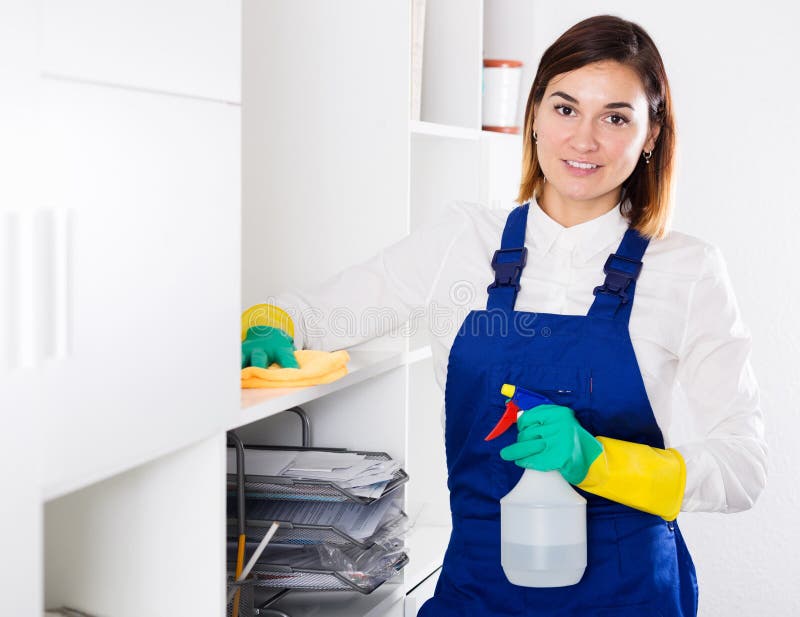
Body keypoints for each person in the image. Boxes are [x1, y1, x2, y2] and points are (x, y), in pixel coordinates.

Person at [242, 14, 767, 616]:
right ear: (535, 117)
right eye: (566, 109)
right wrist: (268, 327)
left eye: (616, 117)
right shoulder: (462, 241)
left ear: (651, 134)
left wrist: (598, 460)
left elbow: (743, 466)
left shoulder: (688, 269)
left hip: (628, 598)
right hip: (480, 594)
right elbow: (317, 313)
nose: (584, 140)